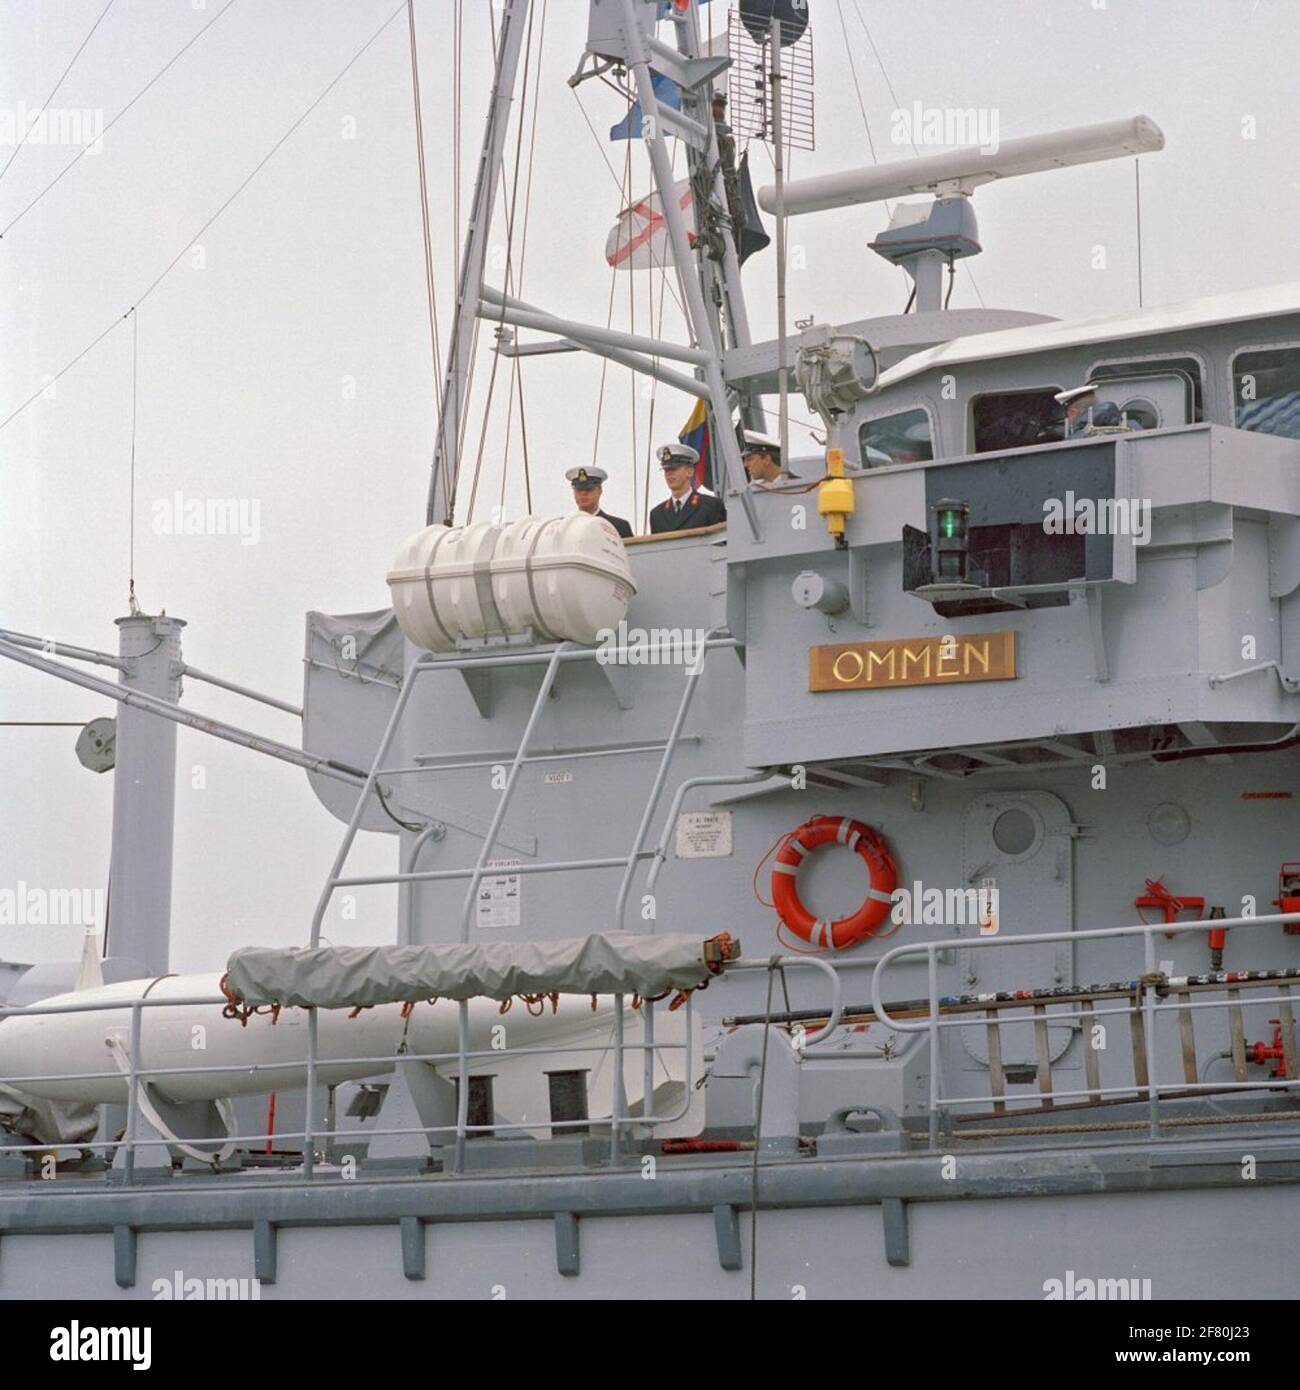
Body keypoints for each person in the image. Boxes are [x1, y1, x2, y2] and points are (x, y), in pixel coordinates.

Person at [648, 443, 726, 533]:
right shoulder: (657, 515)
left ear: (690, 471)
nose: (669, 474)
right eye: (666, 470)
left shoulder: (711, 506)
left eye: (673, 469)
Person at [565, 465, 631, 539]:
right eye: (579, 490)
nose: (583, 493)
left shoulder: (619, 527)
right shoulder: (565, 528)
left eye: (589, 489)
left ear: (599, 491)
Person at [1054, 383, 1125, 438]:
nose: (1068, 421)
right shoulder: (1129, 425)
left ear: (1073, 412)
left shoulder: (1076, 439)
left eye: (1068, 416)